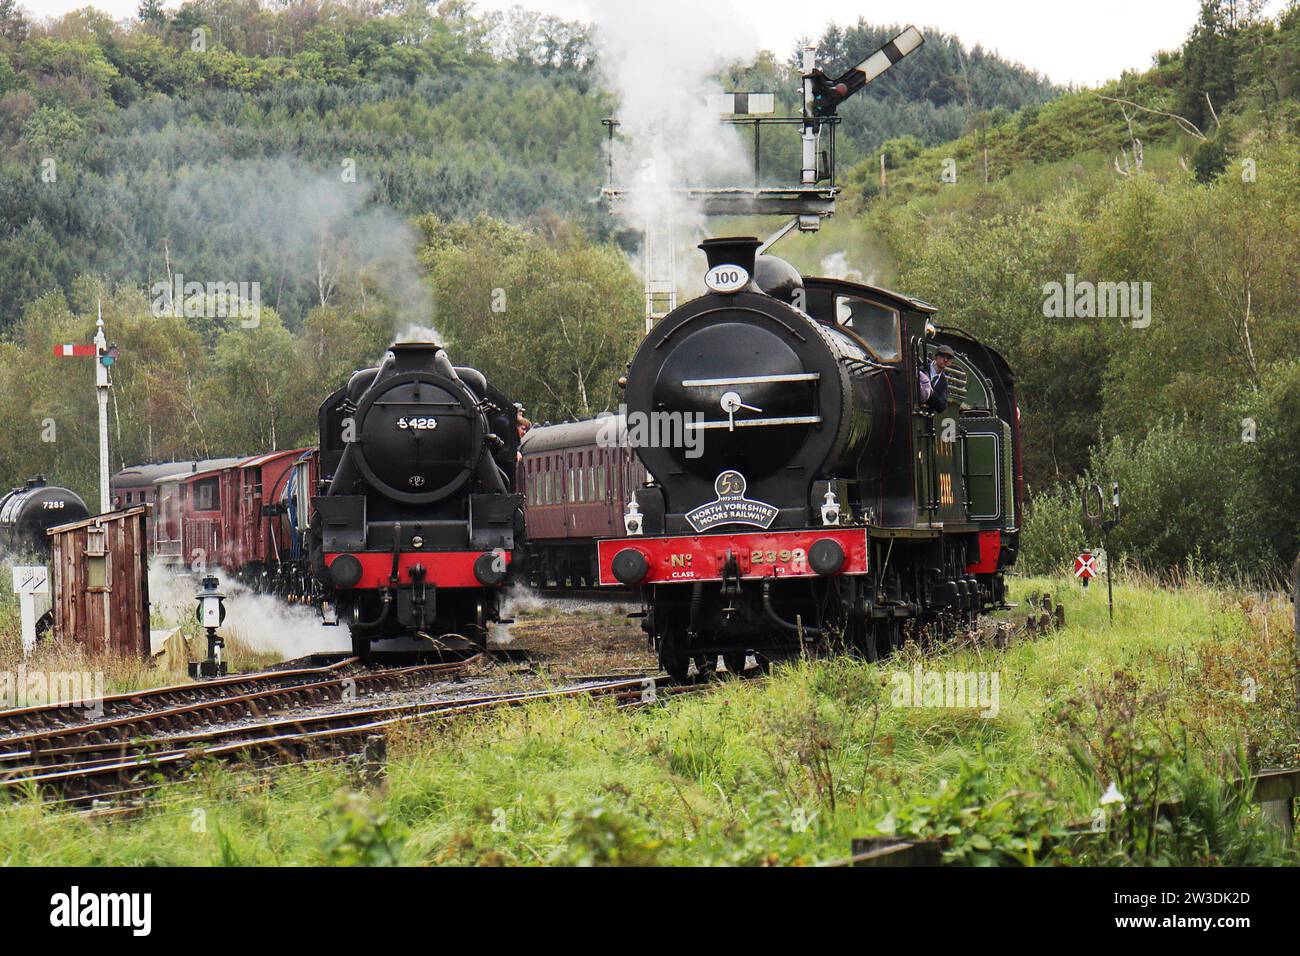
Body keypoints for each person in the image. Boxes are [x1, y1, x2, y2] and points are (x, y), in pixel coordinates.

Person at [918, 344, 956, 413]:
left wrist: (932, 393)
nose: (945, 360)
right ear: (935, 357)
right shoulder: (921, 370)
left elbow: (941, 407)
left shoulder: (944, 381)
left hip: (927, 419)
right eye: (942, 356)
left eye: (948, 358)